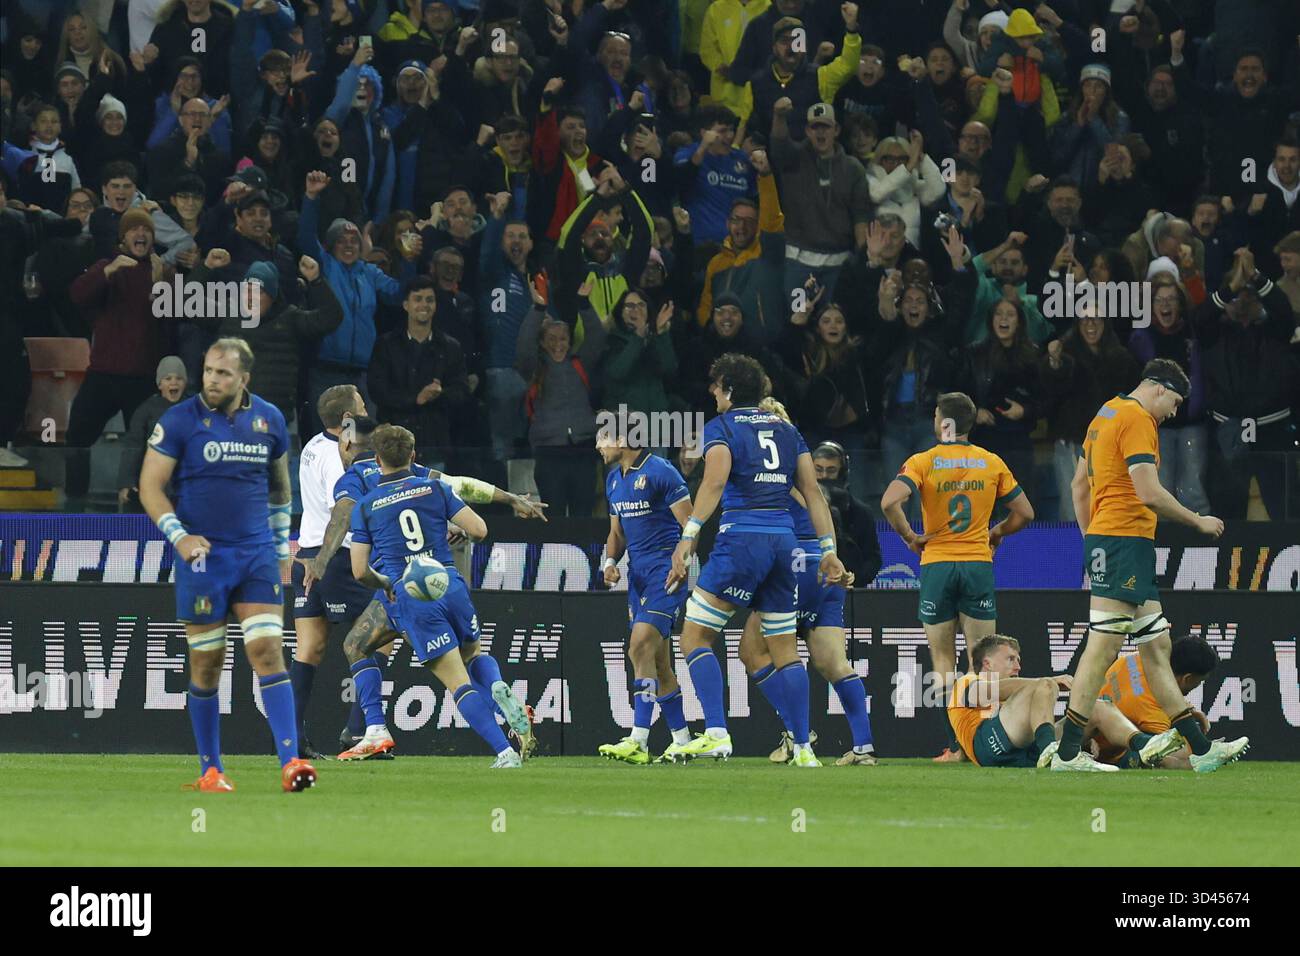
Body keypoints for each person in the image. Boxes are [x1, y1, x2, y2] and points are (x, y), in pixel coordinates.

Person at [305, 416, 546, 756]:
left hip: (405, 590)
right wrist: (510, 500)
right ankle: (496, 689)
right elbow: (469, 502)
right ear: (413, 454)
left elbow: (347, 531)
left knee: (367, 650)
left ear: (370, 455)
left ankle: (499, 750)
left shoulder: (357, 485)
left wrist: (320, 560)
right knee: (471, 654)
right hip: (447, 581)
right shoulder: (431, 483)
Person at [138, 337, 316, 793]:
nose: (212, 380)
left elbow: (280, 493)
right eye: (209, 371)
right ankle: (211, 771)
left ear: (244, 379)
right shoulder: (179, 420)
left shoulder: (270, 420)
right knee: (207, 665)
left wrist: (281, 552)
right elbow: (150, 488)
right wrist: (179, 537)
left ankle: (291, 762)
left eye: (222, 373)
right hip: (204, 561)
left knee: (267, 653)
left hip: (256, 554)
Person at [1052, 358, 1247, 772]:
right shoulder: (1139, 418)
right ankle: (1068, 754)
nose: (1173, 413)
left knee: (1157, 649)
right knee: (1101, 650)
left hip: (1117, 541)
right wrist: (1197, 520)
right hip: (1124, 540)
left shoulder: (1105, 414)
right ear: (1158, 388)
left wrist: (1092, 539)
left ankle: (1203, 750)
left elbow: (1078, 485)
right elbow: (1148, 491)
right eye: (1174, 403)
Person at [664, 353, 846, 763]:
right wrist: (829, 551)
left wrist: (688, 537)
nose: (712, 392)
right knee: (784, 649)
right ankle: (803, 748)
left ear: (728, 388)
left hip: (741, 540)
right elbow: (814, 495)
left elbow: (713, 483)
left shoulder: (722, 427)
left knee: (694, 636)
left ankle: (716, 733)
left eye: (715, 385)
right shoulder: (786, 429)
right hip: (786, 544)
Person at [881, 391, 1034, 761]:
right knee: (981, 662)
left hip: (937, 564)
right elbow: (1025, 513)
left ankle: (955, 746)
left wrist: (909, 537)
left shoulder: (924, 460)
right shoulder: (990, 461)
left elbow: (889, 502)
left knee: (943, 662)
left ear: (940, 421)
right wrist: (996, 532)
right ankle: (982, 741)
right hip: (977, 564)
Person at [738, 398, 877, 767]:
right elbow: (822, 507)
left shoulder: (767, 466)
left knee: (753, 652)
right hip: (822, 568)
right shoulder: (800, 461)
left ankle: (797, 733)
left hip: (793, 566)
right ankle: (863, 747)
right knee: (834, 663)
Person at [595, 431, 695, 765]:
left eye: (603, 438)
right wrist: (610, 562)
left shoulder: (661, 471)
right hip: (637, 577)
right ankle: (682, 739)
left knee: (638, 647)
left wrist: (683, 562)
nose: (598, 446)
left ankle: (639, 739)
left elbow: (690, 524)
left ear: (623, 439)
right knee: (658, 662)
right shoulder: (613, 480)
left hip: (664, 574)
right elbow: (616, 532)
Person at [946, 635, 1183, 769]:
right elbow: (987, 692)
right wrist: (1048, 681)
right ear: (986, 663)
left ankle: (1144, 745)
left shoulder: (1018, 695)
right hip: (991, 747)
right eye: (1010, 659)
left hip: (1026, 753)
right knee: (1045, 684)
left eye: (1018, 659)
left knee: (1097, 707)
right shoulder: (967, 682)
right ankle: (1053, 752)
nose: (1017, 666)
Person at [290, 385, 371, 761]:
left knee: (309, 648)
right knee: (380, 634)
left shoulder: (312, 446)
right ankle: (357, 732)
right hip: (332, 557)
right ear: (347, 420)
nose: (366, 409)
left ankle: (291, 740)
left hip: (305, 553)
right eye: (361, 406)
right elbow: (341, 511)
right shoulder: (337, 459)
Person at [1091, 635, 1229, 771]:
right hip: (1105, 755)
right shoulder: (1152, 710)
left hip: (1089, 725)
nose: (1198, 685)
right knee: (1168, 754)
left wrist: (1189, 708)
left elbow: (1143, 689)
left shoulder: (1136, 657)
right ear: (1187, 678)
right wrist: (1205, 748)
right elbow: (1178, 749)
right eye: (1199, 681)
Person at [117, 356, 188, 513]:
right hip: (155, 482)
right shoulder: (145, 411)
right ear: (160, 384)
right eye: (168, 378)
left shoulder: (194, 408)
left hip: (186, 485)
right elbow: (133, 447)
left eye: (179, 378)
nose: (174, 383)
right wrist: (126, 482)